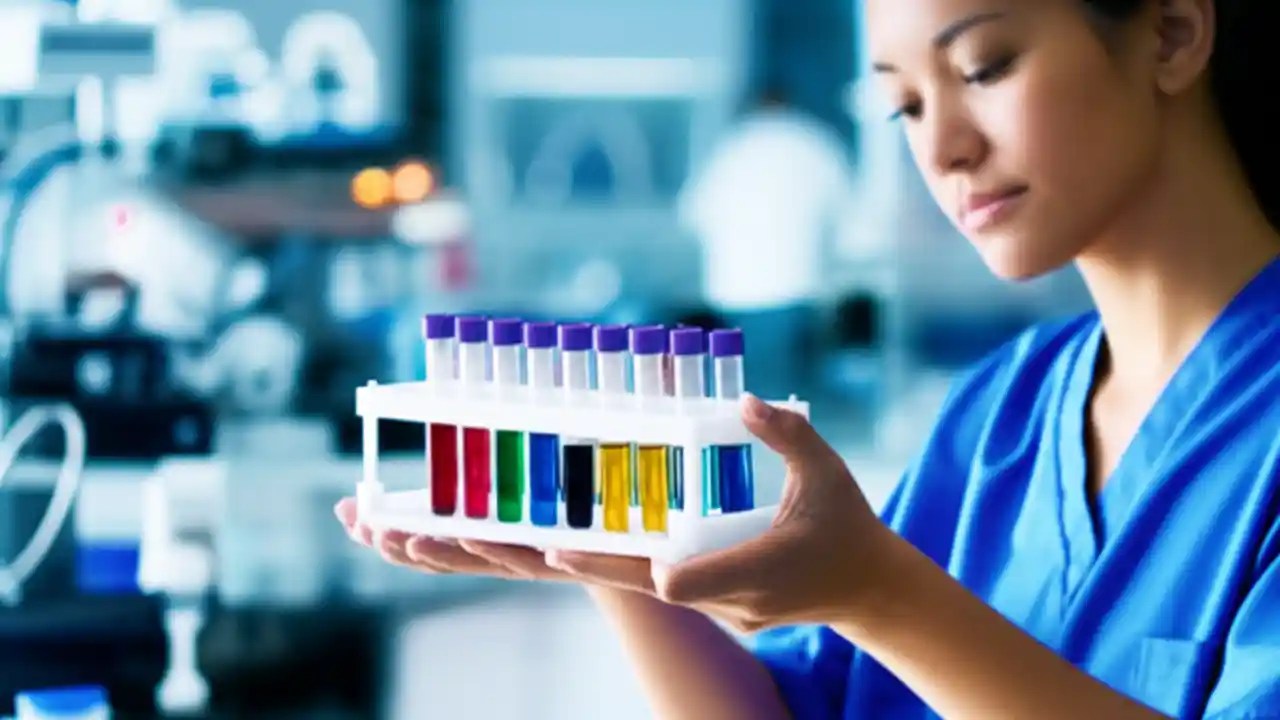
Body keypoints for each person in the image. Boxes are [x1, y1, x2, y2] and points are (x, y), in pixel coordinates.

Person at [335, 0, 1280, 717]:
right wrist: (612, 562)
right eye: (903, 105)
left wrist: (877, 591)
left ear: (1170, 35)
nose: (942, 147)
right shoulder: (1003, 415)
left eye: (985, 68)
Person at [676, 82, 853, 400]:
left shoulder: (729, 150)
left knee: (747, 394)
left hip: (736, 292)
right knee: (791, 399)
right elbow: (850, 220)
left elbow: (692, 215)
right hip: (798, 288)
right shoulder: (814, 143)